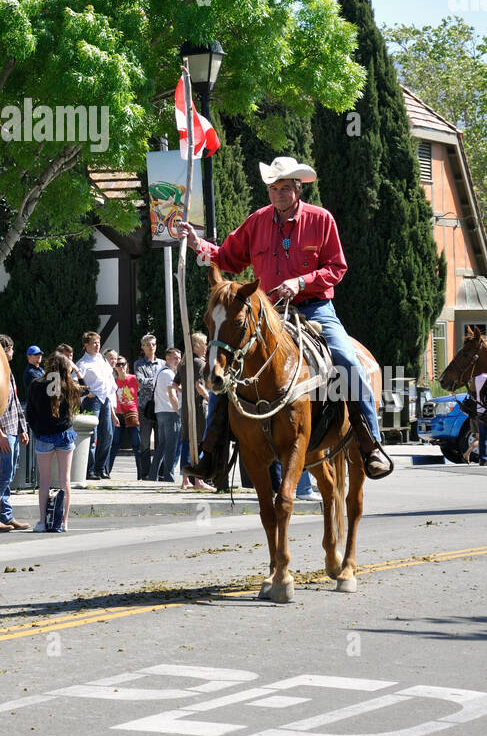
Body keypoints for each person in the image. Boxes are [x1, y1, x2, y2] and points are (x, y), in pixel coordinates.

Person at [175, 155, 392, 481]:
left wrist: (302, 281)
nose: (277, 194)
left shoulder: (321, 220)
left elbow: (337, 268)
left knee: (347, 360)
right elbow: (227, 258)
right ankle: (209, 453)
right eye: (273, 188)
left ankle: (370, 443)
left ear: (298, 188)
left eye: (284, 188)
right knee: (226, 370)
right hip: (270, 313)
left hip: (315, 308)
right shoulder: (257, 222)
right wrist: (197, 244)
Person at [25, 351, 82, 532]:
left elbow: (30, 412)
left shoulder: (36, 384)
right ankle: (64, 521)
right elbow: (87, 391)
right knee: (65, 480)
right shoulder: (69, 385)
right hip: (64, 433)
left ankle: (42, 521)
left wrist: (37, 428)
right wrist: (76, 372)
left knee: (45, 480)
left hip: (44, 435)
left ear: (48, 365)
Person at [0, 335, 31, 531]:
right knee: (1, 475)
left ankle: (6, 515)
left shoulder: (7, 372)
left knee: (8, 474)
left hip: (13, 429)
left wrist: (22, 429)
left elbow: (15, 403)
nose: (13, 352)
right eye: (11, 349)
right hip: (3, 433)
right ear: (4, 349)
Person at [76, 331, 118, 479]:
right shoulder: (82, 363)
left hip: (105, 399)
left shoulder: (101, 359)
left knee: (107, 434)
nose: (97, 345)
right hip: (92, 400)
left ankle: (100, 468)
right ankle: (90, 469)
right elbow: (75, 382)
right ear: (86, 345)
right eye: (94, 343)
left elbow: (109, 377)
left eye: (98, 342)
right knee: (92, 436)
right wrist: (86, 393)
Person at [175, 333, 214, 491]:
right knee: (199, 443)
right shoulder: (199, 363)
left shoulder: (184, 363)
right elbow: (199, 385)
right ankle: (198, 480)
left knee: (186, 442)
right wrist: (208, 397)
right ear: (197, 345)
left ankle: (186, 480)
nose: (206, 347)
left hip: (186, 408)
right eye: (205, 344)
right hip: (198, 408)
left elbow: (175, 384)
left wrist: (187, 394)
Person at [150, 347, 182, 483]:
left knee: (162, 446)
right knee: (171, 447)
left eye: (179, 358)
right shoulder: (169, 374)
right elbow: (172, 395)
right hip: (170, 412)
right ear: (167, 357)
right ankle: (169, 477)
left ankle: (153, 476)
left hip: (160, 412)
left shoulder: (160, 371)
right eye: (174, 357)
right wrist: (178, 411)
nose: (177, 360)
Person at [134, 333, 164, 479]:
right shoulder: (138, 364)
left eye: (153, 344)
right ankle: (145, 473)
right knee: (145, 442)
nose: (151, 347)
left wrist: (153, 381)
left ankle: (160, 473)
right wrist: (159, 380)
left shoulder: (163, 364)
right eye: (147, 344)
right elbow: (140, 382)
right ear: (142, 347)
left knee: (161, 441)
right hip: (145, 407)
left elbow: (166, 383)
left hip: (161, 406)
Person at [109, 356, 142, 478]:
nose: (121, 367)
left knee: (136, 445)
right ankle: (106, 472)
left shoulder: (134, 379)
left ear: (127, 365)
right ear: (115, 368)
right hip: (119, 415)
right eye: (118, 365)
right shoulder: (114, 381)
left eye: (123, 364)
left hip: (132, 414)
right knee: (115, 443)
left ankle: (141, 475)